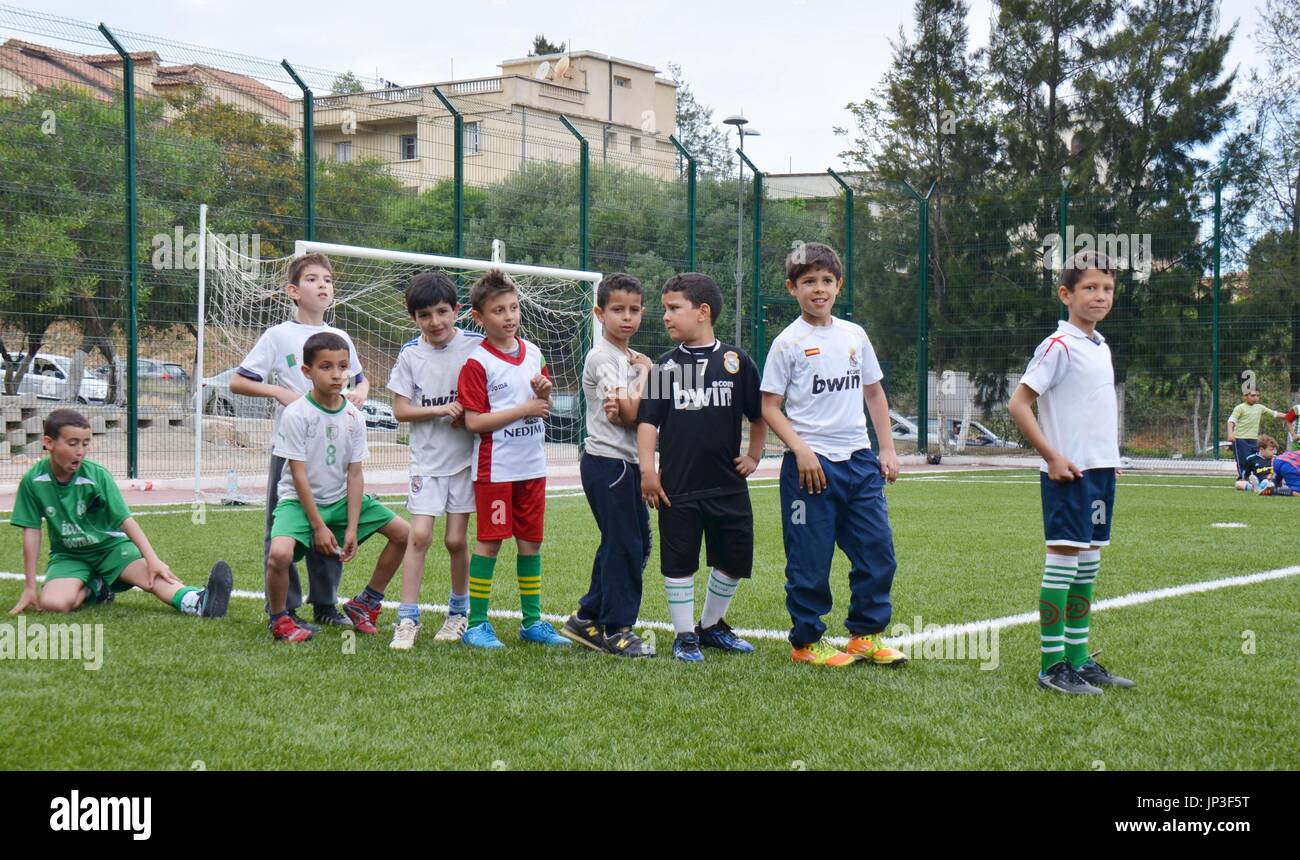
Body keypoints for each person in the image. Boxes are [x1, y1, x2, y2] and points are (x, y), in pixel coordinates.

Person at [759, 242, 907, 668]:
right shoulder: (787, 343)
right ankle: (807, 642)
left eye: (826, 281)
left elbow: (874, 392)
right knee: (810, 556)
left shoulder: (854, 336)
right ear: (792, 288)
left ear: (838, 286)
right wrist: (801, 450)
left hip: (859, 462)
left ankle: (866, 635)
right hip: (810, 467)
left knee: (878, 551)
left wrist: (888, 448)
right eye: (808, 282)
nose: (818, 290)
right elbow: (770, 405)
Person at [1009, 250, 1135, 695]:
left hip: (1099, 474)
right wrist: (1051, 457)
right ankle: (1051, 667)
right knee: (1063, 565)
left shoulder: (1099, 345)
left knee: (1088, 566)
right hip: (1068, 474)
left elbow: (1094, 411)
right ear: (1066, 294)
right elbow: (1019, 404)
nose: (1100, 296)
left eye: (1107, 289)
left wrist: (1109, 459)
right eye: (1090, 288)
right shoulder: (1058, 346)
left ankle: (1080, 661)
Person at [230, 252, 369, 632]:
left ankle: (325, 603)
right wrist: (278, 391)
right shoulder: (277, 336)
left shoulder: (339, 337)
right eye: (312, 279)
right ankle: (284, 608)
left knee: (330, 522)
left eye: (327, 279)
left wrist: (361, 393)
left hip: (336, 448)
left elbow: (361, 380)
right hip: (291, 448)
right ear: (293, 290)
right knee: (284, 527)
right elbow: (239, 381)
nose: (323, 284)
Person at [636, 272, 767, 662]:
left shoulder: (736, 362)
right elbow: (647, 422)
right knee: (679, 563)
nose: (666, 316)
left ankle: (710, 627)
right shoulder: (666, 366)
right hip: (678, 486)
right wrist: (648, 470)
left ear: (703, 312)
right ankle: (683, 636)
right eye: (665, 309)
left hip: (728, 485)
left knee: (734, 559)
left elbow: (760, 414)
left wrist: (755, 455)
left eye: (674, 308)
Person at [8, 408, 232, 618]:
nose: (80, 451)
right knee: (53, 604)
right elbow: (31, 531)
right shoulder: (32, 481)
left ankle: (197, 601)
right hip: (69, 556)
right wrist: (29, 587)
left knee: (151, 577)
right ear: (49, 443)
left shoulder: (97, 476)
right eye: (72, 443)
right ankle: (96, 588)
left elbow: (125, 520)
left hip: (111, 549)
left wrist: (152, 559)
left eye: (85, 443)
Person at [264, 332, 409, 642]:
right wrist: (318, 527)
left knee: (405, 533)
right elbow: (298, 475)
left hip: (341, 500)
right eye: (326, 367)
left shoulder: (355, 416)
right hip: (300, 503)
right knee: (279, 555)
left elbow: (355, 475)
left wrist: (353, 527)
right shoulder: (296, 414)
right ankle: (279, 620)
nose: (337, 375)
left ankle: (366, 602)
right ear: (307, 372)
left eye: (343, 367)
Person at [456, 270, 569, 649]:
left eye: (514, 308)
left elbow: (542, 406)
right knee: (490, 542)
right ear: (479, 318)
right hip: (496, 469)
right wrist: (525, 407)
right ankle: (476, 625)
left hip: (532, 467)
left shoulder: (534, 353)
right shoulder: (477, 363)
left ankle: (533, 623)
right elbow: (474, 423)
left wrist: (545, 393)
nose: (509, 316)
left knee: (531, 542)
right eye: (499, 310)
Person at [559, 273, 654, 657]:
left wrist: (646, 381)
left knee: (634, 543)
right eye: (617, 310)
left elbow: (652, 415)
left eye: (633, 310)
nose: (626, 317)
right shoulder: (603, 358)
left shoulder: (634, 358)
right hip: (608, 463)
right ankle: (616, 628)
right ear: (600, 313)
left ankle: (586, 618)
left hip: (629, 464)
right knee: (625, 545)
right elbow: (625, 414)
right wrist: (647, 375)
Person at [386, 272, 483, 650]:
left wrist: (473, 413)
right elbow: (400, 410)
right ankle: (407, 618)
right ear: (414, 319)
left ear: (457, 311)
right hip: (426, 462)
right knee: (420, 535)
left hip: (464, 461)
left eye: (443, 311)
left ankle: (459, 613)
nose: (436, 321)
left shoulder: (477, 346)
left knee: (456, 540)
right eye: (425, 315)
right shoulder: (411, 354)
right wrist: (444, 408)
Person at [1227, 389, 1284, 480]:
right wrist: (1230, 433)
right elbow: (1231, 421)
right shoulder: (1239, 408)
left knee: (1256, 459)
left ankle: (1257, 479)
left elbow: (1275, 414)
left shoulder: (1260, 407)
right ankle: (1243, 479)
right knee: (1244, 461)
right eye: (1253, 396)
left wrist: (1290, 415)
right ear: (1245, 397)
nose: (1256, 398)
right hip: (1240, 439)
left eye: (1257, 396)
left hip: (1254, 440)